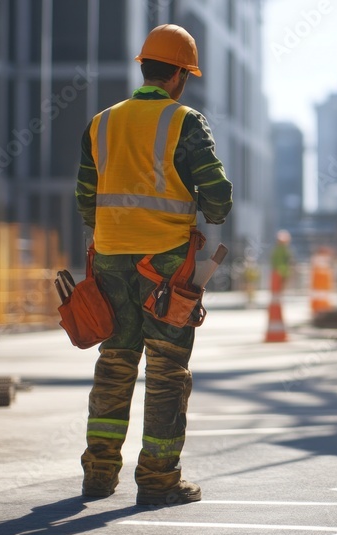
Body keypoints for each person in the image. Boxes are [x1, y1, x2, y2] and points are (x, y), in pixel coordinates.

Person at [74, 24, 232, 505]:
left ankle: (99, 476)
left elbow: (85, 200)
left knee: (115, 365)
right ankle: (159, 479)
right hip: (165, 267)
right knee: (166, 371)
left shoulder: (101, 123)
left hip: (109, 262)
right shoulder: (185, 121)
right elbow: (218, 195)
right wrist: (208, 214)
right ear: (181, 75)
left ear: (144, 67)